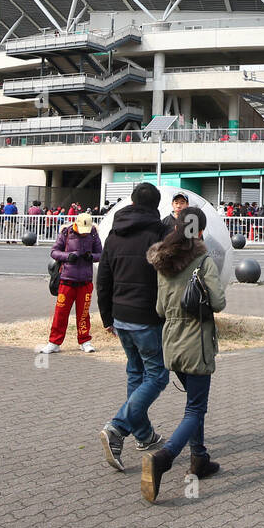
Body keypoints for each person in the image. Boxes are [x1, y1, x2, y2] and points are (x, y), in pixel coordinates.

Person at [140, 206, 226, 502]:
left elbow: (160, 309)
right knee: (195, 409)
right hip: (197, 342)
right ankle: (163, 459)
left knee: (193, 402)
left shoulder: (163, 261)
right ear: (199, 231)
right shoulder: (203, 260)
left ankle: (199, 458)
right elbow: (218, 301)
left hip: (172, 342)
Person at [97, 182, 169, 469]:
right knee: (157, 376)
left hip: (120, 317)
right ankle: (118, 427)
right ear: (156, 205)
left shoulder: (114, 234)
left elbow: (103, 278)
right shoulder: (158, 233)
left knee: (135, 373)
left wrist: (106, 318)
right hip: (146, 317)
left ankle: (144, 435)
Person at [40, 212, 103, 354]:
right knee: (61, 312)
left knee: (83, 313)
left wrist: (91, 256)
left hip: (85, 281)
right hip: (67, 280)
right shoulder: (66, 232)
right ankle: (54, 342)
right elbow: (54, 251)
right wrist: (67, 256)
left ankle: (85, 340)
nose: (83, 233)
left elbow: (100, 253)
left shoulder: (93, 234)